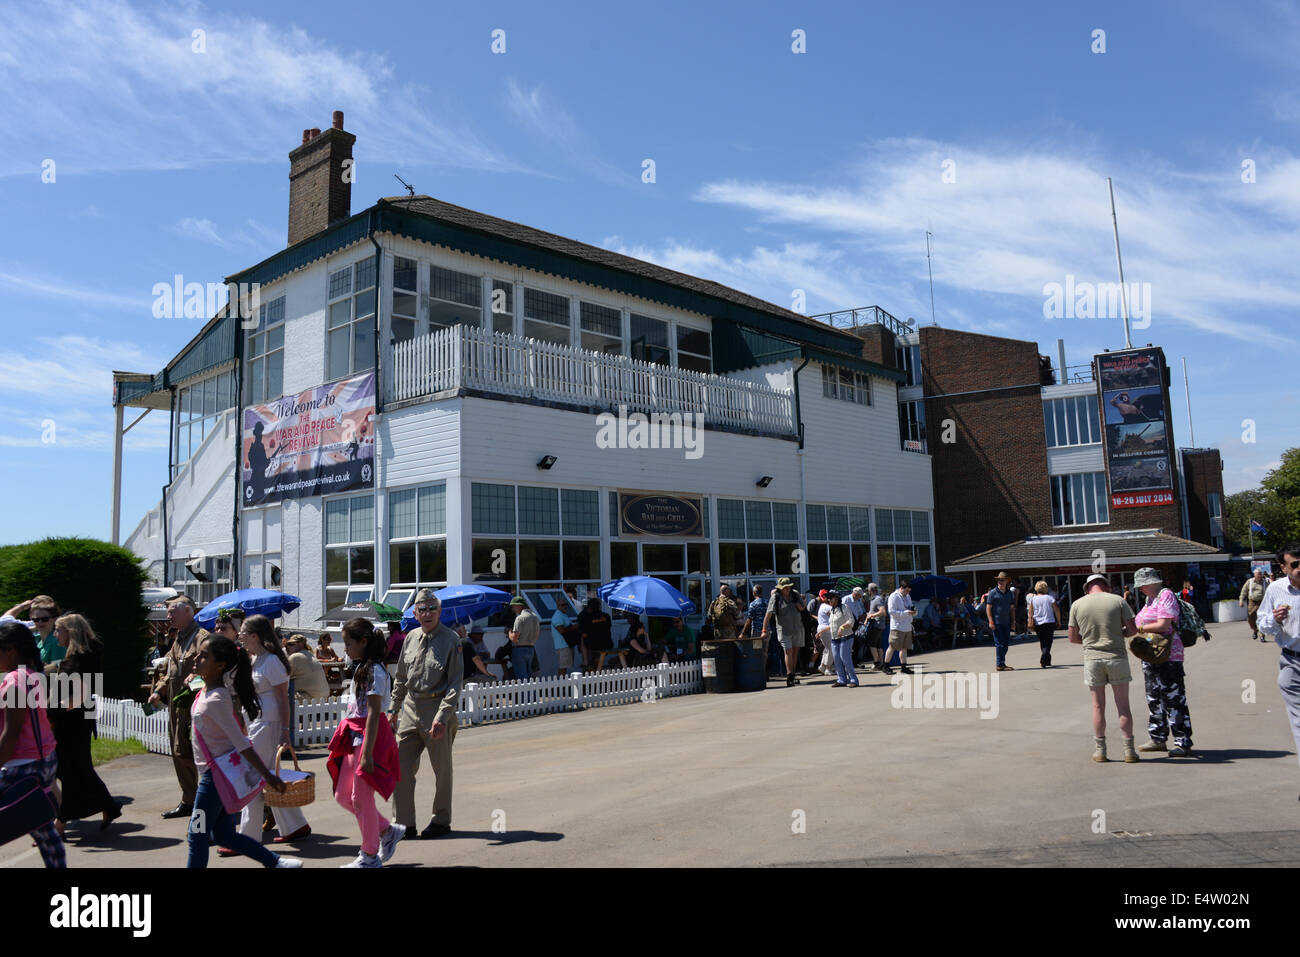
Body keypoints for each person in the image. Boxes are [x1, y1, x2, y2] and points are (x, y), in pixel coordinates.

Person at [184, 635, 301, 868]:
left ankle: (276, 863)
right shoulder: (206, 690)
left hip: (215, 779)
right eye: (198, 653)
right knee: (225, 835)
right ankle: (276, 863)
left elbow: (241, 742)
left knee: (196, 835)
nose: (197, 658)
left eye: (204, 656)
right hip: (214, 774)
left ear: (220, 666)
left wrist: (268, 777)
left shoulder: (216, 698)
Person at [332, 617, 404, 867]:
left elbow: (373, 712)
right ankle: (387, 831)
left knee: (361, 798)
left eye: (348, 643)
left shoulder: (375, 670)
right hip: (355, 736)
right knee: (343, 796)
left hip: (370, 739)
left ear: (363, 642)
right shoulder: (362, 667)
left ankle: (370, 855)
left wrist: (367, 753)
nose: (346, 649)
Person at [390, 589, 461, 839]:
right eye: (423, 609)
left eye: (432, 609)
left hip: (437, 707)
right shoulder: (410, 637)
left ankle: (441, 820)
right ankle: (404, 823)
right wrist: (393, 708)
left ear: (440, 612)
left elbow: (454, 683)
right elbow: (400, 677)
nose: (428, 613)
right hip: (410, 707)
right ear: (415, 613)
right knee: (400, 766)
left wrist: (442, 717)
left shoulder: (451, 639)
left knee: (442, 769)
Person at [235, 615, 311, 846]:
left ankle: (247, 836)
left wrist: (285, 731)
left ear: (255, 636)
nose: (240, 636)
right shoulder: (255, 659)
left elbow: (283, 699)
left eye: (243, 633)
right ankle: (296, 825)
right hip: (256, 723)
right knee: (267, 775)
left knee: (254, 776)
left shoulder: (272, 662)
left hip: (268, 725)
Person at [48, 614, 121, 832]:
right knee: (78, 769)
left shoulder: (82, 659)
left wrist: (52, 709)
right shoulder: (78, 656)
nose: (55, 634)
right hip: (73, 721)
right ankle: (108, 806)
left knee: (71, 770)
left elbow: (81, 694)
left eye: (58, 630)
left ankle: (60, 822)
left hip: (73, 723)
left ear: (69, 632)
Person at [0, 622, 65, 867]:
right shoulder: (31, 675)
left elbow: (11, 734)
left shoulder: (15, 682)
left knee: (37, 822)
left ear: (11, 650)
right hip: (44, 759)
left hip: (22, 765)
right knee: (40, 825)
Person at [148, 595, 209, 819]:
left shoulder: (202, 638)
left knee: (192, 752)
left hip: (192, 705)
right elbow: (169, 670)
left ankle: (203, 803)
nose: (168, 616)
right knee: (178, 751)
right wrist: (158, 691)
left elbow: (207, 673)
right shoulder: (178, 639)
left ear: (189, 612)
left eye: (173, 611)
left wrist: (192, 682)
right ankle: (189, 799)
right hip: (176, 704)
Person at [1067, 573, 1139, 764]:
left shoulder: (1077, 604)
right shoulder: (1118, 601)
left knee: (1098, 706)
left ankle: (1100, 750)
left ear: (1087, 588)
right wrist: (1118, 633)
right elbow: (1132, 630)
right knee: (1123, 705)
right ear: (1105, 586)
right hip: (1117, 657)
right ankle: (1129, 750)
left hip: (1092, 658)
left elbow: (1073, 637)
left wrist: (1091, 640)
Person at [1132, 568, 1193, 757]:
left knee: (1173, 698)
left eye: (1142, 585)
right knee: (1154, 697)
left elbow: (1163, 624)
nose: (1140, 588)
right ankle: (1158, 738)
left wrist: (1139, 627)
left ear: (1151, 582)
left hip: (1168, 655)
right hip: (1152, 655)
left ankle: (1182, 741)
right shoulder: (1150, 599)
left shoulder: (1165, 595)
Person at [1258, 542, 1300, 798]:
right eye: (1294, 564)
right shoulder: (1275, 589)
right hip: (1292, 663)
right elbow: (1264, 626)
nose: (1299, 569)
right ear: (1283, 567)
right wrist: (1274, 619)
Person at [761, 578, 807, 687]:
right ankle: (789, 675)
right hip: (784, 629)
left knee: (795, 652)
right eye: (785, 587)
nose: (788, 589)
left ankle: (793, 674)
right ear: (780, 588)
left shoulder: (795, 594)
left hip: (797, 627)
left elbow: (802, 608)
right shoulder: (776, 597)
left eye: (789, 587)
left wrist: (798, 604)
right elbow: (768, 614)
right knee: (788, 651)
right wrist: (764, 629)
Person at [985, 572, 1017, 672]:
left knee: (1006, 644)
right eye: (998, 580)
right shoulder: (993, 593)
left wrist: (1013, 621)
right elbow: (988, 607)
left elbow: (1012, 608)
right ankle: (1000, 664)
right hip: (996, 622)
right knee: (999, 644)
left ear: (1007, 581)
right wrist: (991, 621)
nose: (1000, 582)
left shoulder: (1009, 593)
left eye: (1002, 580)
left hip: (1006, 622)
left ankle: (1001, 663)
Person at [284, 634, 331, 701]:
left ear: (300, 644)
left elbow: (283, 678)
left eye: (291, 644)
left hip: (308, 699)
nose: (288, 647)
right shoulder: (310, 655)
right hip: (323, 699)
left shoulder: (295, 657)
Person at [1027, 581, 1061, 668]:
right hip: (1049, 622)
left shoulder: (1033, 599)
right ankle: (1044, 657)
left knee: (1043, 642)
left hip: (1038, 623)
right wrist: (1059, 621)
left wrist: (1030, 621)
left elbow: (1030, 612)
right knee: (1048, 641)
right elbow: (1056, 609)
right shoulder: (1050, 598)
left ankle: (1047, 660)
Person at [885, 581, 917, 676]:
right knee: (893, 646)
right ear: (901, 588)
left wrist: (914, 611)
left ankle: (903, 666)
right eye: (906, 591)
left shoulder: (907, 596)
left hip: (907, 625)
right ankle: (886, 665)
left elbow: (910, 607)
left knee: (905, 647)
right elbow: (892, 612)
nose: (907, 593)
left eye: (909, 591)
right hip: (897, 626)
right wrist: (907, 612)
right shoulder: (894, 596)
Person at [826, 591, 857, 688]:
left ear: (836, 598)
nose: (829, 599)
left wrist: (842, 627)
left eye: (831, 597)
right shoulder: (832, 610)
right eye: (828, 598)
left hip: (846, 637)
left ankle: (853, 680)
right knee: (837, 659)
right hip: (835, 638)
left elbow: (851, 620)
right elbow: (832, 625)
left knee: (845, 658)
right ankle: (841, 680)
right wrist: (821, 631)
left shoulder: (844, 608)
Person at [506, 596, 539, 680]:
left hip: (519, 649)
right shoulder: (535, 617)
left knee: (522, 678)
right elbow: (537, 635)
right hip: (531, 648)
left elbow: (514, 638)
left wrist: (509, 632)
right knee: (530, 677)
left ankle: (526, 693)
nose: (512, 608)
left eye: (513, 606)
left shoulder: (520, 618)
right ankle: (532, 693)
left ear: (519, 605)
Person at [578, 598, 614, 672]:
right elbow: (608, 627)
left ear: (589, 607)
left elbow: (583, 632)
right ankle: (597, 668)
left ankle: (586, 662)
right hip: (607, 644)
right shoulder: (606, 616)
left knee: (582, 638)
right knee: (598, 655)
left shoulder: (584, 616)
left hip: (592, 644)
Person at [862, 583, 888, 671]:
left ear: (870, 590)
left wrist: (872, 615)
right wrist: (866, 619)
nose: (867, 592)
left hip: (877, 625)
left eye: (868, 590)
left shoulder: (877, 599)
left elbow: (883, 612)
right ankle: (880, 663)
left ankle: (877, 663)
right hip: (877, 625)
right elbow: (872, 611)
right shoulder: (873, 599)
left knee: (872, 644)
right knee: (878, 645)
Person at [551, 599, 580, 675]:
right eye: (562, 605)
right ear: (557, 606)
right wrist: (574, 627)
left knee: (565, 666)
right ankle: (561, 686)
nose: (565, 607)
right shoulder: (558, 616)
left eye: (565, 604)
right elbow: (561, 630)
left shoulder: (563, 614)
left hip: (567, 644)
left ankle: (562, 685)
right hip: (563, 645)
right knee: (563, 667)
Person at [1240, 568, 1269, 641]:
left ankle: (1262, 635)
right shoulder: (1250, 581)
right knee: (1251, 618)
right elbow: (1244, 591)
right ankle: (1255, 630)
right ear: (1254, 574)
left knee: (1263, 618)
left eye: (1260, 573)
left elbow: (1270, 592)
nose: (1259, 575)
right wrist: (1241, 600)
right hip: (1252, 602)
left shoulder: (1265, 582)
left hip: (1263, 602)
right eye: (1258, 573)